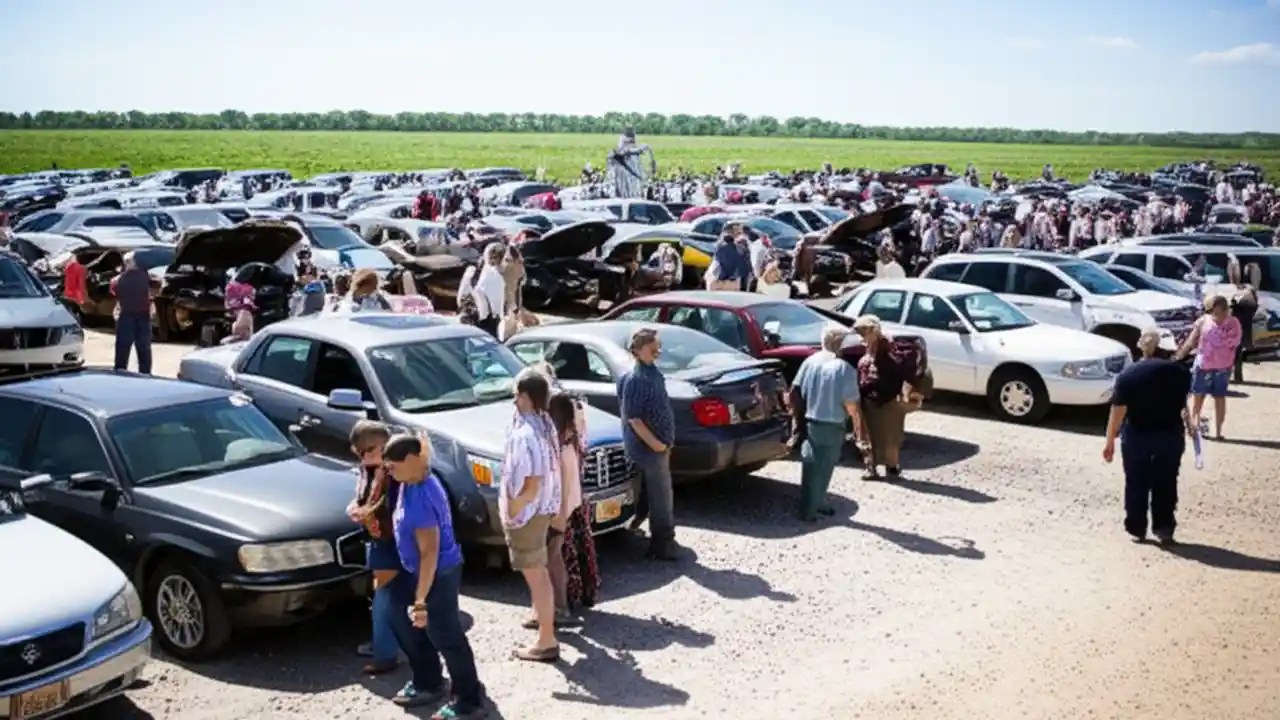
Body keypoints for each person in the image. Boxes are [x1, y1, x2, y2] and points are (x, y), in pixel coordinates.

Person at [382, 434, 488, 718]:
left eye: (393, 466)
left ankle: (469, 701)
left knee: (447, 635)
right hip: (417, 570)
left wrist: (420, 599)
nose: (389, 472)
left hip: (437, 573)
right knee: (399, 616)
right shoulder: (411, 481)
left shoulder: (424, 496)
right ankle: (429, 681)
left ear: (413, 460)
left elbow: (430, 553)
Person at [1103, 328, 1195, 545]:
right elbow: (1183, 404)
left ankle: (1137, 527)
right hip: (1170, 435)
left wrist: (1109, 442)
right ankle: (1164, 527)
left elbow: (1117, 412)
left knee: (1136, 481)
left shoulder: (1128, 375)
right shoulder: (1181, 372)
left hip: (1137, 436)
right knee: (1166, 481)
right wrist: (1191, 425)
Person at [500, 368, 562, 662]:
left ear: (525, 397)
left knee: (536, 575)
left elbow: (531, 481)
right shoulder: (545, 424)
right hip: (544, 509)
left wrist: (513, 508)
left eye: (516, 395)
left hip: (528, 513)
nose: (514, 400)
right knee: (540, 571)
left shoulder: (524, 434)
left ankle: (546, 640)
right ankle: (542, 621)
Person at [617, 327, 678, 561]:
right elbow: (634, 419)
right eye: (652, 348)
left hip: (659, 446)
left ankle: (634, 525)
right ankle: (663, 543)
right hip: (648, 449)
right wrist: (657, 445)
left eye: (658, 347)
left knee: (647, 492)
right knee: (662, 495)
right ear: (638, 349)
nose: (657, 351)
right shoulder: (635, 379)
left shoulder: (652, 373)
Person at [344, 421, 400, 676]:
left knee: (384, 599)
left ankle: (385, 653)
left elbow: (391, 510)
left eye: (370, 451)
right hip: (377, 540)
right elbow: (364, 497)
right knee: (385, 596)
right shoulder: (370, 470)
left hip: (389, 542)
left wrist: (366, 512)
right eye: (360, 453)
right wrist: (356, 507)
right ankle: (387, 645)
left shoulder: (392, 474)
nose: (365, 457)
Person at [790, 324, 862, 521]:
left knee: (811, 465)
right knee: (825, 467)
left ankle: (815, 503)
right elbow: (850, 403)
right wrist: (858, 427)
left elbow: (795, 391)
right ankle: (810, 510)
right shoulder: (844, 368)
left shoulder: (810, 362)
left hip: (811, 421)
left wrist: (797, 422)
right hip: (832, 423)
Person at [853, 315, 921, 480]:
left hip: (889, 398)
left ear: (873, 330)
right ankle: (873, 467)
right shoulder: (871, 348)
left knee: (891, 436)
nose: (861, 335)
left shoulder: (889, 349)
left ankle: (890, 467)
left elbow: (895, 371)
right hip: (871, 397)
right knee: (868, 435)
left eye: (863, 331)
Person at [1174, 294, 1242, 439]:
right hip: (1215, 365)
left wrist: (1179, 356)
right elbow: (1192, 341)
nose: (1215, 315)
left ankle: (1209, 429)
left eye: (1217, 312)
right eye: (1213, 312)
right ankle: (1201, 427)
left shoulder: (1208, 322)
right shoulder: (1232, 323)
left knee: (1207, 396)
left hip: (1214, 365)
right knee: (1209, 397)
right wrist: (1179, 356)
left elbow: (1191, 341)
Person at [110, 252, 153, 374]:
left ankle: (120, 371)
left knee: (123, 347)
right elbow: (157, 287)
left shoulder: (118, 280)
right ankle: (145, 373)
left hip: (126, 314)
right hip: (143, 315)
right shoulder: (147, 276)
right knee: (144, 347)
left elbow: (113, 292)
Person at [472, 244, 506, 337]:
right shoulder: (491, 272)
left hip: (493, 314)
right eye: (492, 257)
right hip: (490, 315)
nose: (493, 260)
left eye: (495, 257)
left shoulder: (490, 271)